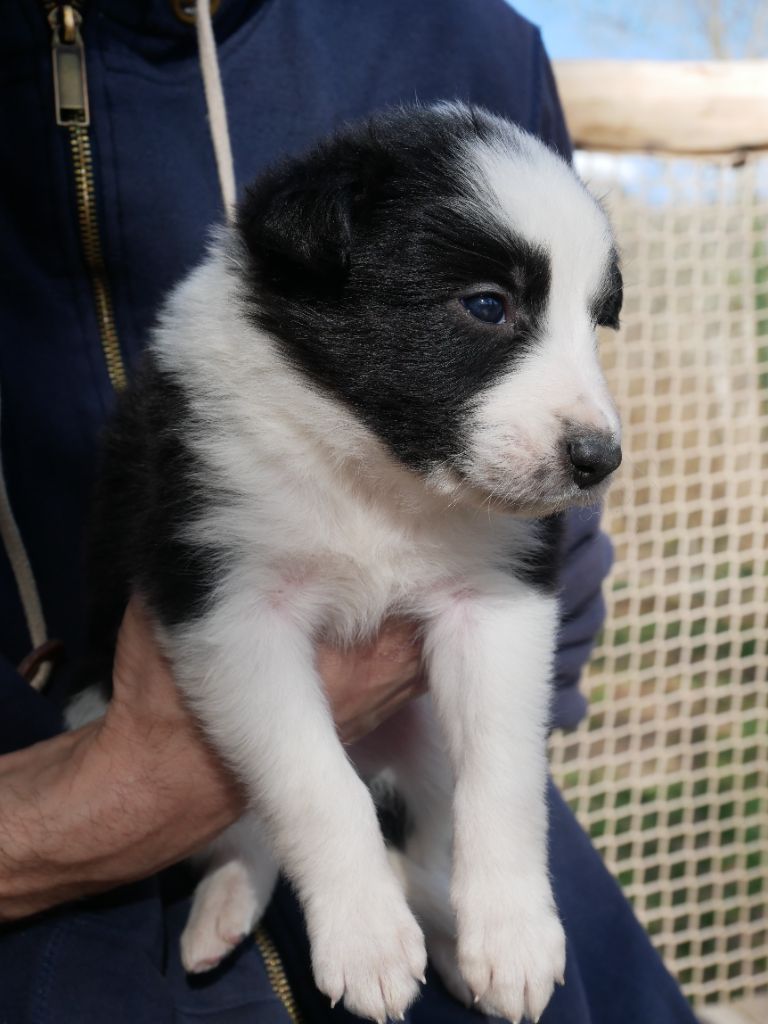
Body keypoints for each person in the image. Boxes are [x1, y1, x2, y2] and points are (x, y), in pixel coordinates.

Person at [0, 1, 698, 1021]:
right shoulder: (237, 369)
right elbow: (232, 625)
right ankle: (260, 851)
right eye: (490, 309)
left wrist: (494, 869)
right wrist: (330, 859)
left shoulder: (475, 41)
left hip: (427, 781)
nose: (592, 419)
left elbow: (504, 605)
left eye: (580, 321)